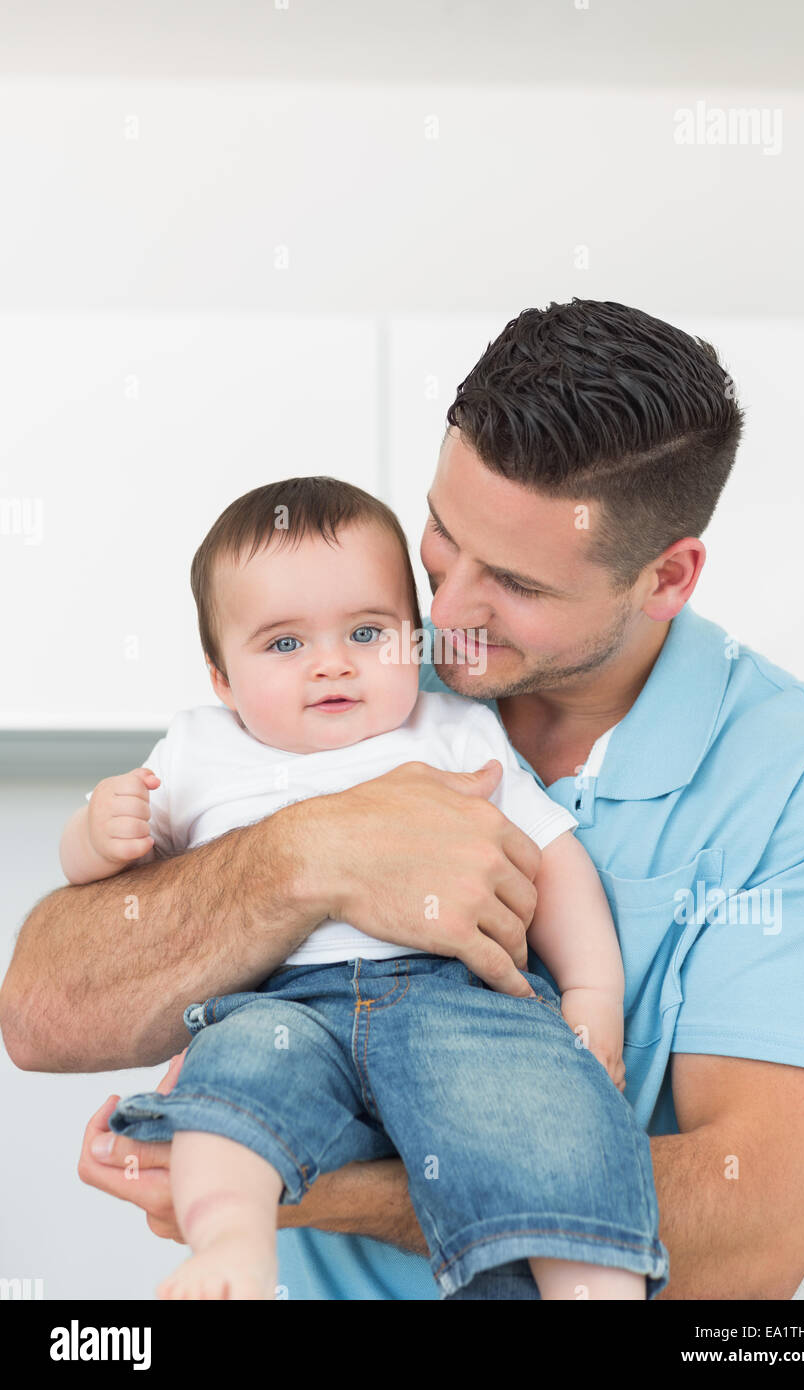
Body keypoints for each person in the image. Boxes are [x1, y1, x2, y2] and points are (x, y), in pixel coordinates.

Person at [3, 299, 804, 1301]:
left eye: (514, 584)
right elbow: (41, 1011)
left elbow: (747, 1235)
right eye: (442, 538)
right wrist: (309, 853)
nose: (442, 618)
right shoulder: (352, 654)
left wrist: (311, 1180)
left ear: (663, 576)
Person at [56, 475, 668, 1301]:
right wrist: (97, 829)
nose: (332, 664)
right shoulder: (198, 750)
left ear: (416, 640)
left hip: (455, 995)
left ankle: (591, 1289)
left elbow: (553, 856)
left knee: (549, 1117)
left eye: (369, 631)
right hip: (278, 1007)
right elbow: (99, 877)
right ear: (222, 678)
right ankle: (230, 1247)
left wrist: (593, 991)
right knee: (224, 1091)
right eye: (283, 645)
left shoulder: (453, 730)